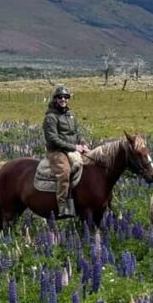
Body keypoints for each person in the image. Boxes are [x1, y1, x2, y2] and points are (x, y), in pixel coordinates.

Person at [43, 84, 90, 218]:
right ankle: (63, 206)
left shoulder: (71, 115)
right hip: (57, 152)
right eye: (60, 97)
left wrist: (83, 144)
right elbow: (52, 138)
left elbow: (77, 133)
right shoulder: (51, 117)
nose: (63, 99)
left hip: (72, 149)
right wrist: (73, 147)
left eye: (66, 97)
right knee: (65, 172)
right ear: (55, 99)